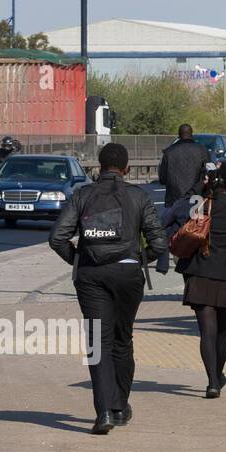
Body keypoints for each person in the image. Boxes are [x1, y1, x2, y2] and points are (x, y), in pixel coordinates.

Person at [48, 142, 166, 434]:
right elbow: (160, 243)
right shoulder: (139, 197)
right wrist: (139, 260)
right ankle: (120, 407)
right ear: (127, 168)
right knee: (122, 340)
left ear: (99, 167)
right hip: (128, 274)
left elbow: (57, 238)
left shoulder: (83, 195)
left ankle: (103, 413)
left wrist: (78, 259)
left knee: (97, 344)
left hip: (91, 276)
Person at [172, 161, 226, 398]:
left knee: (206, 332)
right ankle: (218, 375)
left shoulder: (200, 207)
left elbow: (185, 204)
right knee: (222, 333)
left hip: (200, 274)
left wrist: (203, 186)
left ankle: (212, 382)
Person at [158, 124, 209, 207]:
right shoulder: (202, 151)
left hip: (174, 200)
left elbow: (162, 179)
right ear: (192, 134)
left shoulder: (168, 152)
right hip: (196, 198)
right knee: (195, 219)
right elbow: (208, 174)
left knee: (173, 219)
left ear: (179, 135)